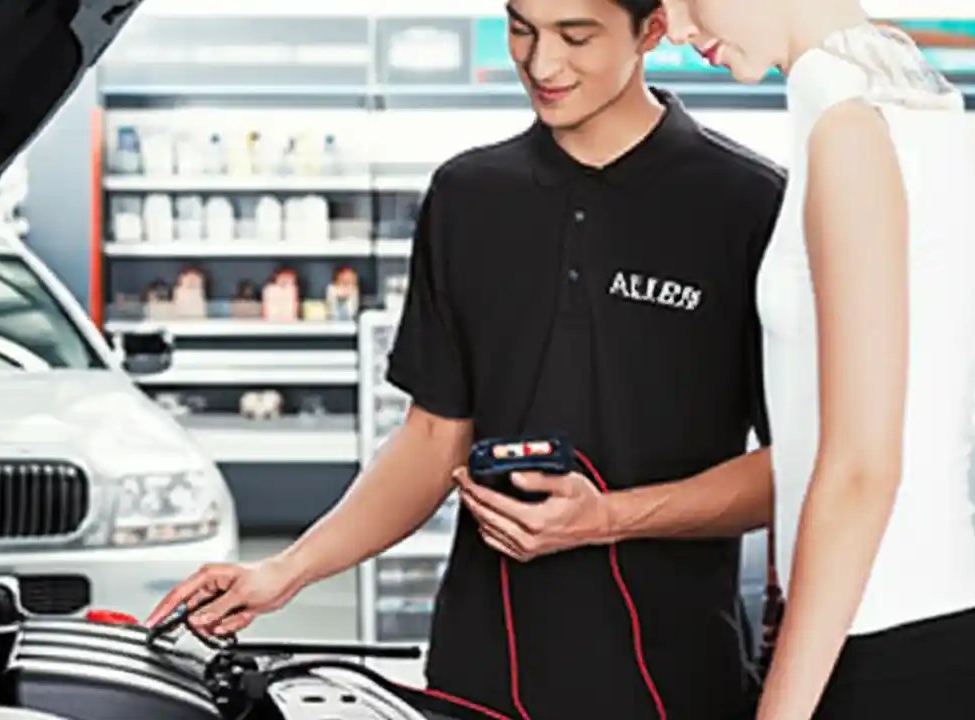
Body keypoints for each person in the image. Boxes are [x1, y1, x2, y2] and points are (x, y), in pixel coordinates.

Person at [147, 0, 786, 718]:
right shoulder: (468, 196)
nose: (542, 63)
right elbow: (432, 438)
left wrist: (608, 518)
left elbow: (796, 470)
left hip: (670, 678)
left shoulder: (748, 203)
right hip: (479, 673)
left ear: (652, 30)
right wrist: (286, 571)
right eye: (522, 29)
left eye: (576, 36)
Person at [651, 1, 975, 719]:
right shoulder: (897, 86)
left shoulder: (849, 127)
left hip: (890, 662)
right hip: (915, 643)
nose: (673, 29)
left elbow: (862, 471)